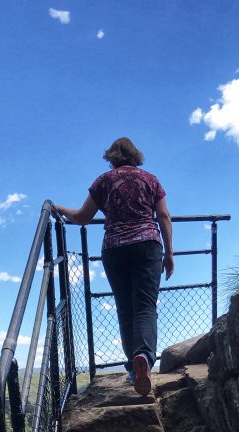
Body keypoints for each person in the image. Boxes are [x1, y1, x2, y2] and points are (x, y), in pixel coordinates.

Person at [55, 137, 173, 396]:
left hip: (115, 249)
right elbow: (163, 215)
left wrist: (60, 209)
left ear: (112, 157)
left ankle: (133, 368)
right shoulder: (151, 180)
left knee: (125, 309)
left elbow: (82, 217)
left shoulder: (103, 181)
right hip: (147, 245)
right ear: (135, 155)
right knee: (145, 307)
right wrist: (170, 254)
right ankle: (144, 357)